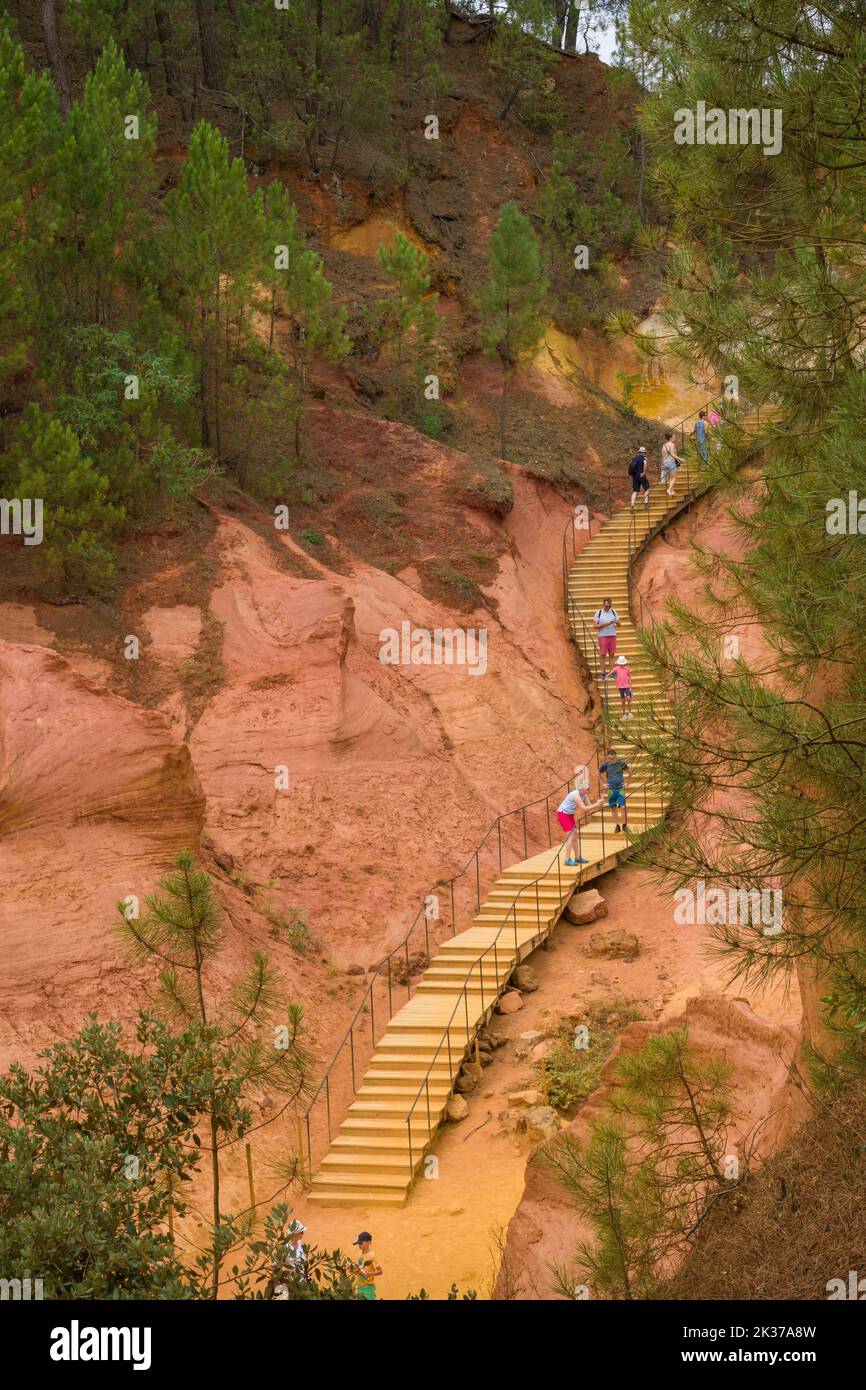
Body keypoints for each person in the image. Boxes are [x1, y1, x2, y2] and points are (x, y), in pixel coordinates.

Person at [556, 784, 605, 866]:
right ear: (582, 788)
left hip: (569, 815)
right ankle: (567, 859)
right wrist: (596, 804)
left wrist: (599, 804)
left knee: (575, 835)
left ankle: (577, 857)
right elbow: (584, 808)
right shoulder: (575, 795)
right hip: (563, 814)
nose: (589, 790)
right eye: (587, 789)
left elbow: (589, 807)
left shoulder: (584, 794)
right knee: (571, 836)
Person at [271, 1219, 308, 1300]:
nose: (303, 1233)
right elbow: (274, 1268)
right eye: (301, 1232)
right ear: (294, 1234)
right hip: (289, 1285)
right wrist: (278, 1291)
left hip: (301, 1283)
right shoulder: (284, 1248)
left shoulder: (299, 1243)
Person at [599, 746, 629, 832]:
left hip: (620, 789)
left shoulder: (621, 763)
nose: (612, 760)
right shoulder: (606, 764)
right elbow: (599, 772)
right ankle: (617, 825)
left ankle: (624, 824)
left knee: (623, 807)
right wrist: (602, 784)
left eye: (613, 758)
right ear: (608, 757)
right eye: (610, 758)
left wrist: (628, 783)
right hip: (611, 790)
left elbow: (630, 771)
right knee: (613, 808)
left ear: (616, 756)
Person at [593, 597, 620, 680]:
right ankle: (603, 673)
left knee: (612, 654)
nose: (608, 608)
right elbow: (595, 626)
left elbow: (619, 625)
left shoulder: (614, 612)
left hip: (612, 635)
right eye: (606, 606)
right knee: (603, 655)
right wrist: (606, 624)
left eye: (609, 606)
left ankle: (611, 673)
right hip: (603, 636)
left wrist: (616, 622)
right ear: (603, 605)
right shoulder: (599, 613)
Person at [352, 1232, 382, 1301]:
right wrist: (352, 1267)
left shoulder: (372, 1256)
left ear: (368, 1242)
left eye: (361, 1243)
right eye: (358, 1243)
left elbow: (380, 1271)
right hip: (359, 1285)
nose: (359, 1245)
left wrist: (368, 1274)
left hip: (368, 1287)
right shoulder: (359, 1253)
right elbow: (360, 1266)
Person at [660, 432, 682, 497]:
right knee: (674, 477)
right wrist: (680, 459)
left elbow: (663, 455)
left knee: (671, 477)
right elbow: (672, 454)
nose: (675, 438)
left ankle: (672, 491)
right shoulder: (672, 444)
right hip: (671, 463)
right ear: (670, 438)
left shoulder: (664, 445)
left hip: (665, 463)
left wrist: (663, 463)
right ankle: (669, 490)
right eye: (674, 437)